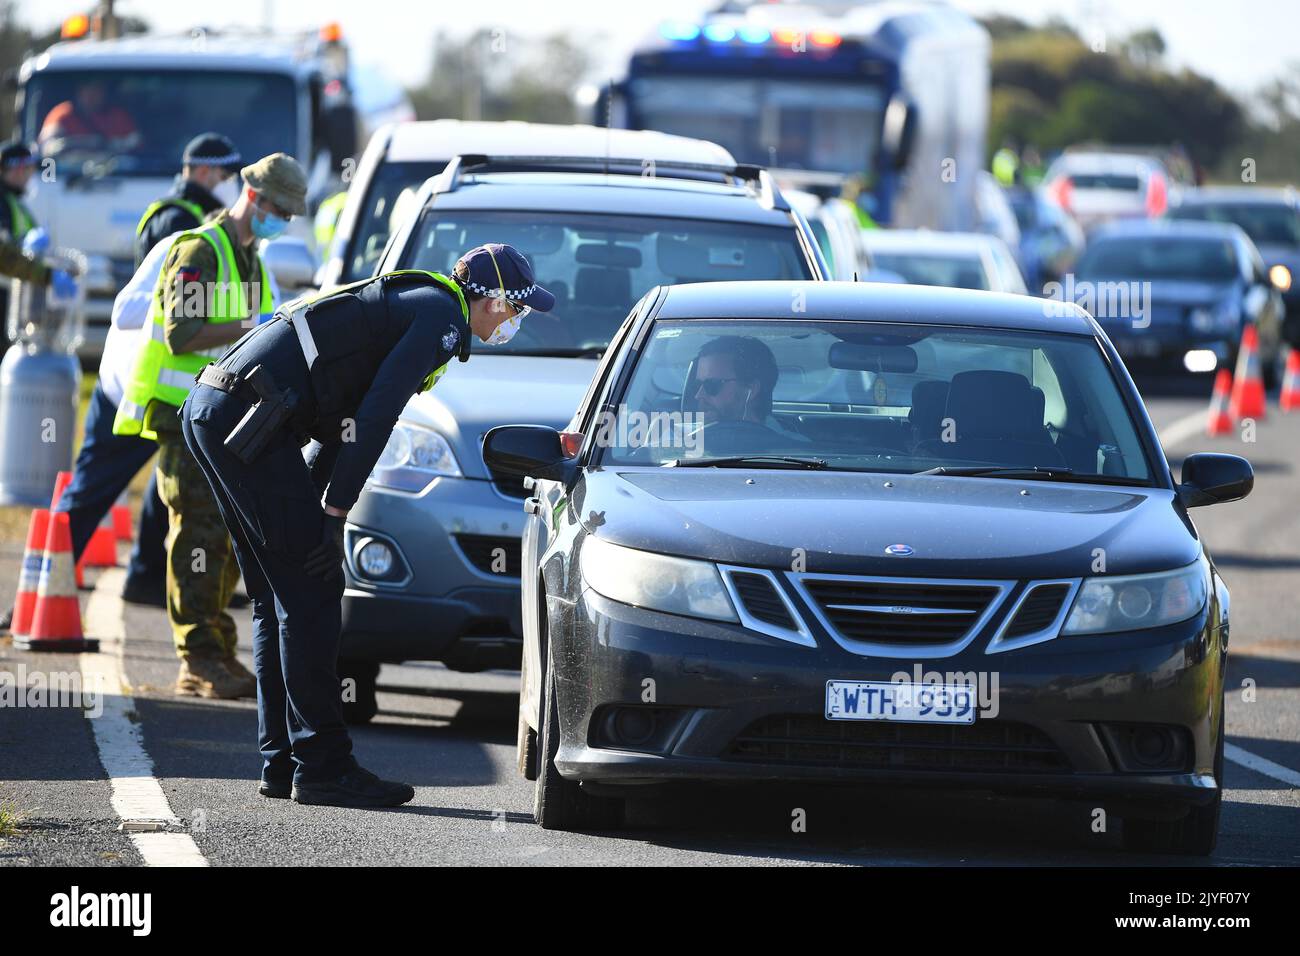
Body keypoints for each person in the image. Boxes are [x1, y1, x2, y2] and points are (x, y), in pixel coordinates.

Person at [179, 243, 554, 807]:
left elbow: (343, 419)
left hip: (220, 410)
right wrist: (333, 512)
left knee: (278, 592)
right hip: (247, 422)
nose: (515, 322)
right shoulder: (441, 317)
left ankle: (283, 762)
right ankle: (323, 766)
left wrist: (323, 503)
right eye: (516, 308)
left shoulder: (418, 301)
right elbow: (373, 418)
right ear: (492, 298)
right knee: (312, 589)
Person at [113, 153, 298, 700]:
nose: (283, 223)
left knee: (220, 540)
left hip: (222, 419)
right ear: (257, 200)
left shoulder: (250, 256)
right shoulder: (200, 249)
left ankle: (216, 647)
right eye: (281, 211)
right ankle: (197, 658)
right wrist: (251, 324)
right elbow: (179, 333)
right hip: (180, 416)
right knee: (195, 535)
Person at [135, 133, 242, 268]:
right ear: (203, 172)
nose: (232, 184)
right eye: (225, 177)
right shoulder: (180, 220)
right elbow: (184, 285)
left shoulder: (194, 212)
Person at [38, 80, 138, 148]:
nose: (91, 96)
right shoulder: (63, 114)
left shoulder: (117, 116)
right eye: (87, 90)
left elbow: (135, 142)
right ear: (79, 92)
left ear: (104, 93)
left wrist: (111, 145)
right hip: (71, 172)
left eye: (96, 90)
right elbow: (46, 143)